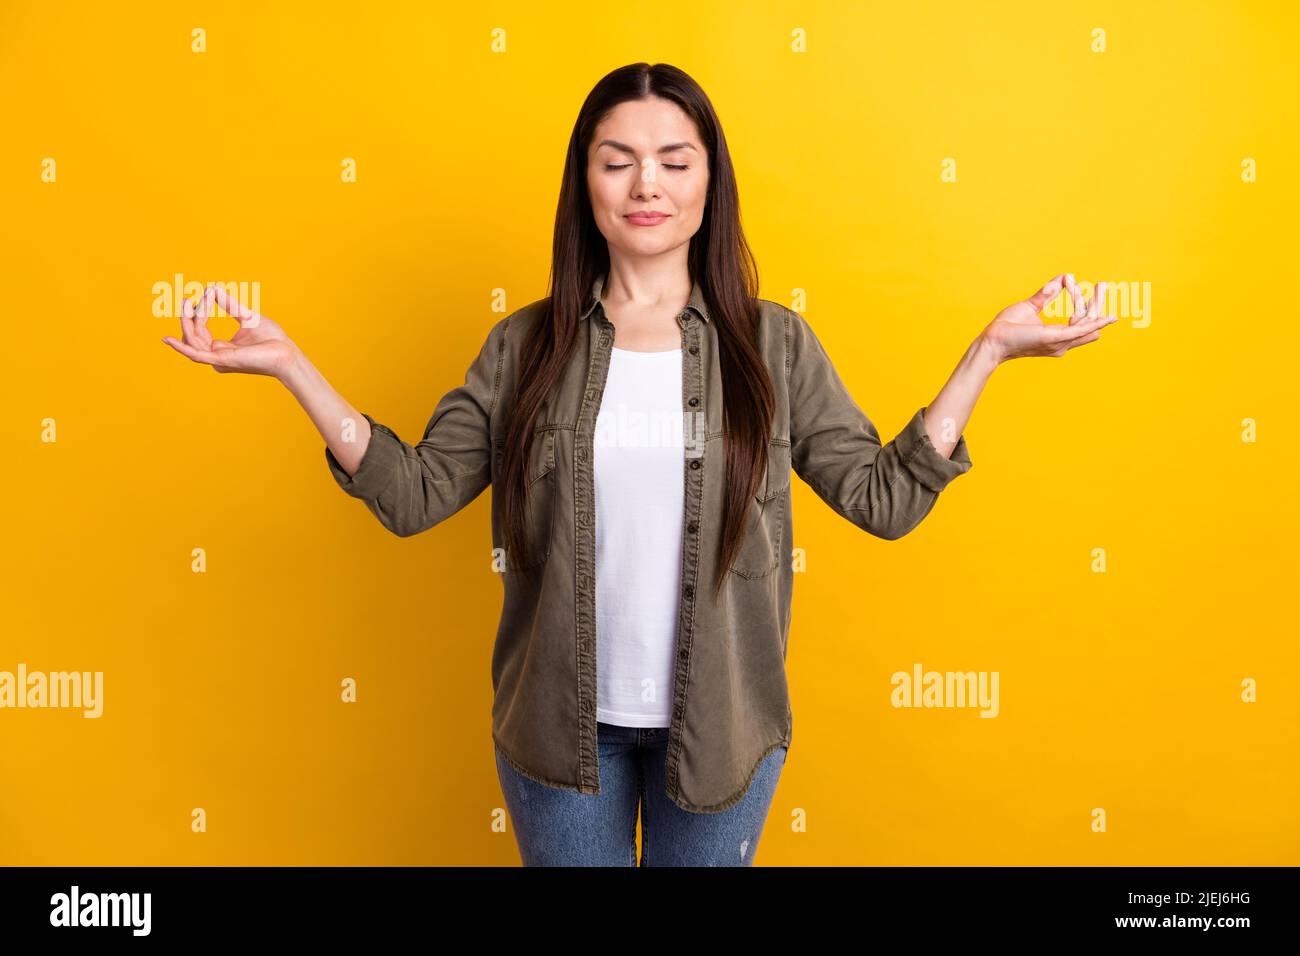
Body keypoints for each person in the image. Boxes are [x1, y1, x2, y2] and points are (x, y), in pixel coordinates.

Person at [161, 63, 1117, 867]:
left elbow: (884, 498)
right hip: (556, 736)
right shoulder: (525, 346)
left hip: (726, 739)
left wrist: (988, 352)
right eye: (618, 162)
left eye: (673, 160)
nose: (645, 184)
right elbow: (414, 495)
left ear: (710, 182)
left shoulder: (773, 346)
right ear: (587, 182)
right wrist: (292, 367)